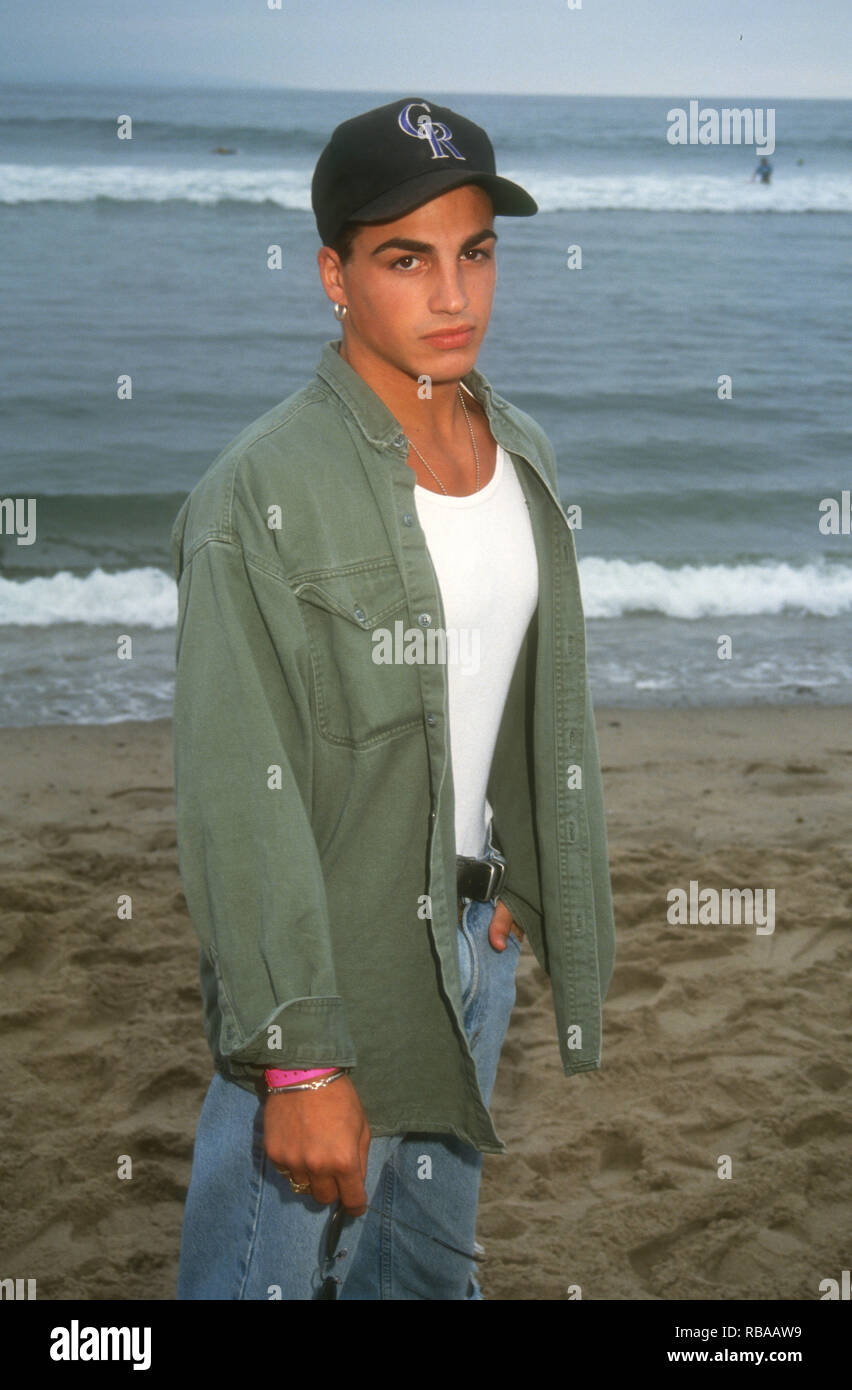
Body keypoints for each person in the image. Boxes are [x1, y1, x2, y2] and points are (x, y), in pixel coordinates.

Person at [171, 96, 615, 1301]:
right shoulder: (253, 496)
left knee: (419, 1276)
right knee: (258, 1281)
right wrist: (300, 1063)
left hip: (473, 952)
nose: (453, 294)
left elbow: (521, 689)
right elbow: (233, 793)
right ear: (334, 273)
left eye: (475, 252)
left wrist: (514, 879)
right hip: (330, 976)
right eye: (406, 258)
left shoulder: (521, 451)